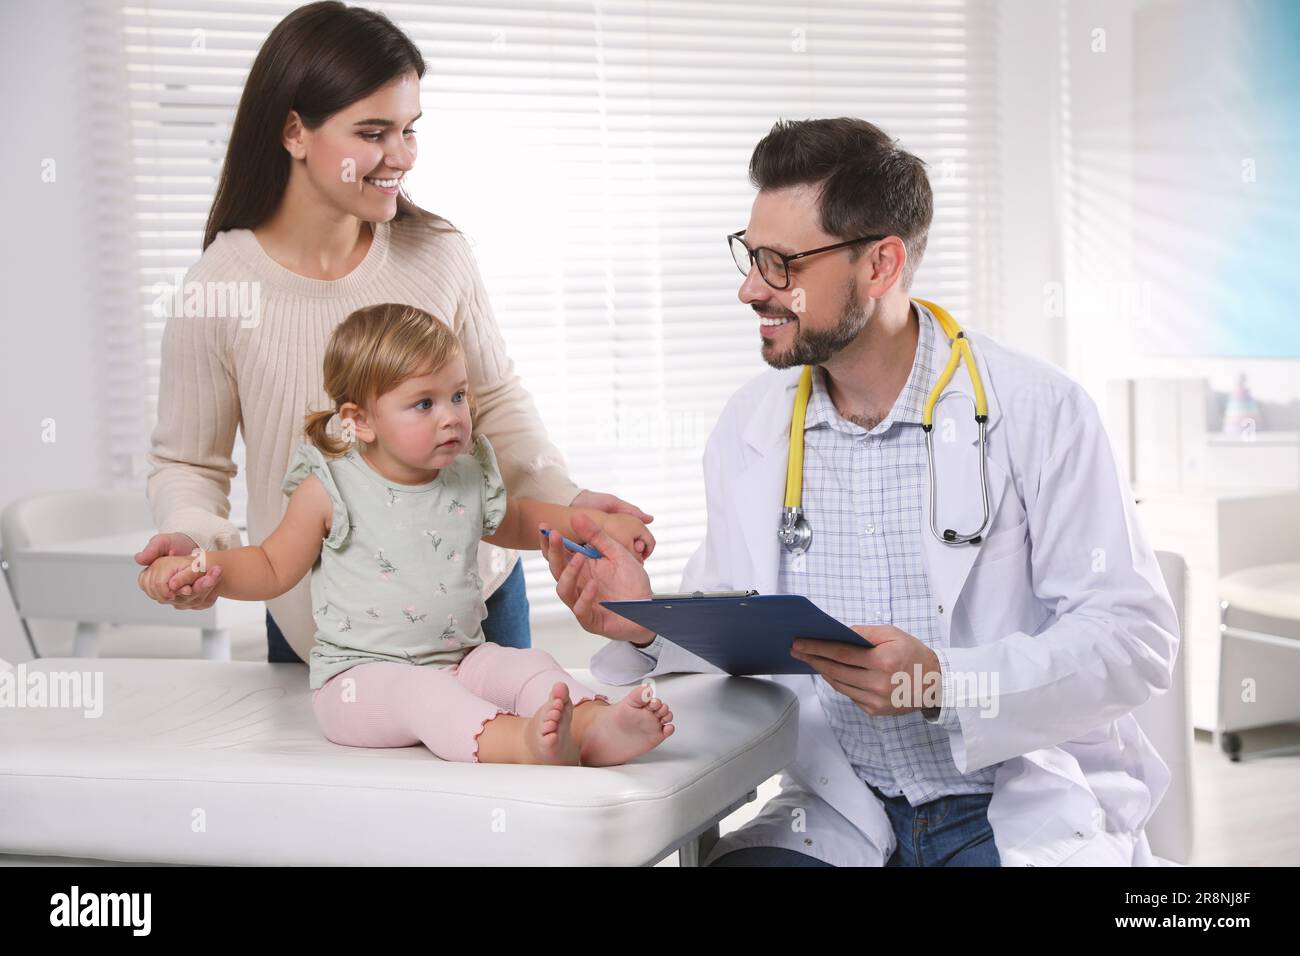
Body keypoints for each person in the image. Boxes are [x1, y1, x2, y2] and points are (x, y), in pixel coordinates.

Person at [540, 117, 1179, 866]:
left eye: (782, 264)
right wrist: (643, 623)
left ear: (881, 266)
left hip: (1009, 805)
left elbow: (1133, 640)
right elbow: (741, 640)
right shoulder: (752, 428)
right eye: (751, 257)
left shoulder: (1039, 410)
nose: (751, 289)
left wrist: (944, 680)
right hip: (839, 807)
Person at [133, 1, 652, 662]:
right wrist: (193, 540)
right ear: (295, 131)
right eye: (374, 132)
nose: (400, 156)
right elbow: (188, 462)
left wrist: (566, 500)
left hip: (475, 605)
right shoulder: (217, 287)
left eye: (410, 129)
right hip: (323, 630)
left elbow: (496, 404)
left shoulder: (437, 252)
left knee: (513, 750)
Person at [141, 303, 674, 766]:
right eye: (425, 403)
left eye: (458, 396)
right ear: (361, 420)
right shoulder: (330, 487)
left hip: (460, 660)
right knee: (424, 696)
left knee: (528, 665)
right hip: (359, 683)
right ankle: (525, 746)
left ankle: (595, 728)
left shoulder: (465, 474)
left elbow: (519, 520)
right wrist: (202, 567)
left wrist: (596, 524)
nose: (452, 418)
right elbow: (271, 566)